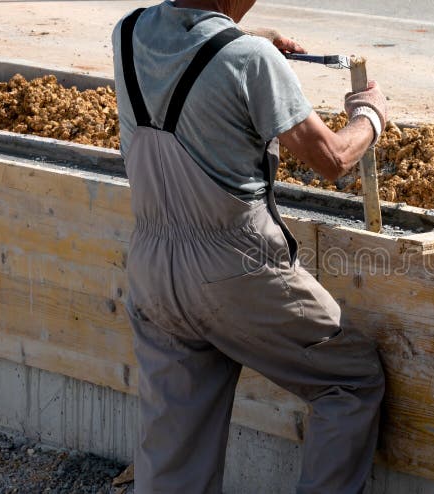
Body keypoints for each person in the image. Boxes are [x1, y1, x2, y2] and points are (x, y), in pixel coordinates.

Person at [111, 1, 387, 492]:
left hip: (153, 271)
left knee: (177, 446)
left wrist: (245, 36)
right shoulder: (252, 60)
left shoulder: (129, 32)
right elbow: (332, 158)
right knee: (349, 380)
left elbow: (187, 38)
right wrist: (369, 115)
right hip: (237, 272)